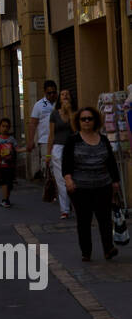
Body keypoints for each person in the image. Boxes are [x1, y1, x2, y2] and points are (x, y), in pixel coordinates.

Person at [62, 106, 121, 262]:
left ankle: (108, 249)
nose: (87, 121)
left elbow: (111, 163)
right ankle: (86, 252)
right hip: (80, 187)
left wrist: (115, 181)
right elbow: (66, 164)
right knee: (84, 220)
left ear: (95, 121)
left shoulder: (103, 139)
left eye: (90, 118)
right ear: (78, 122)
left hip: (103, 185)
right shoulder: (72, 140)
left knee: (105, 219)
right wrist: (68, 180)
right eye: (83, 119)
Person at [46, 89, 75, 219]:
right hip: (57, 148)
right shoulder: (54, 114)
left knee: (74, 177)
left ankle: (75, 204)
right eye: (62, 94)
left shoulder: (75, 113)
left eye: (67, 94)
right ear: (59, 98)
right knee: (61, 180)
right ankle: (65, 209)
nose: (65, 96)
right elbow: (51, 135)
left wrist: (69, 112)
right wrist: (47, 155)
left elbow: (76, 130)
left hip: (72, 148)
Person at [27, 79, 59, 178]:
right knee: (48, 167)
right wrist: (31, 140)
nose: (52, 95)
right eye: (49, 93)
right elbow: (33, 124)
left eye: (54, 92)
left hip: (60, 140)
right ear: (45, 92)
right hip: (45, 141)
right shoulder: (39, 105)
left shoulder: (60, 103)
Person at [0, 118, 18, 208]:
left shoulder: (11, 139)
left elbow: (17, 149)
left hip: (11, 164)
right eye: (3, 126)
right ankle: (5, 200)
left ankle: (6, 199)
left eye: (7, 126)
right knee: (5, 182)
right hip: (1, 164)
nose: (5, 128)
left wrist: (27, 149)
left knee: (10, 183)